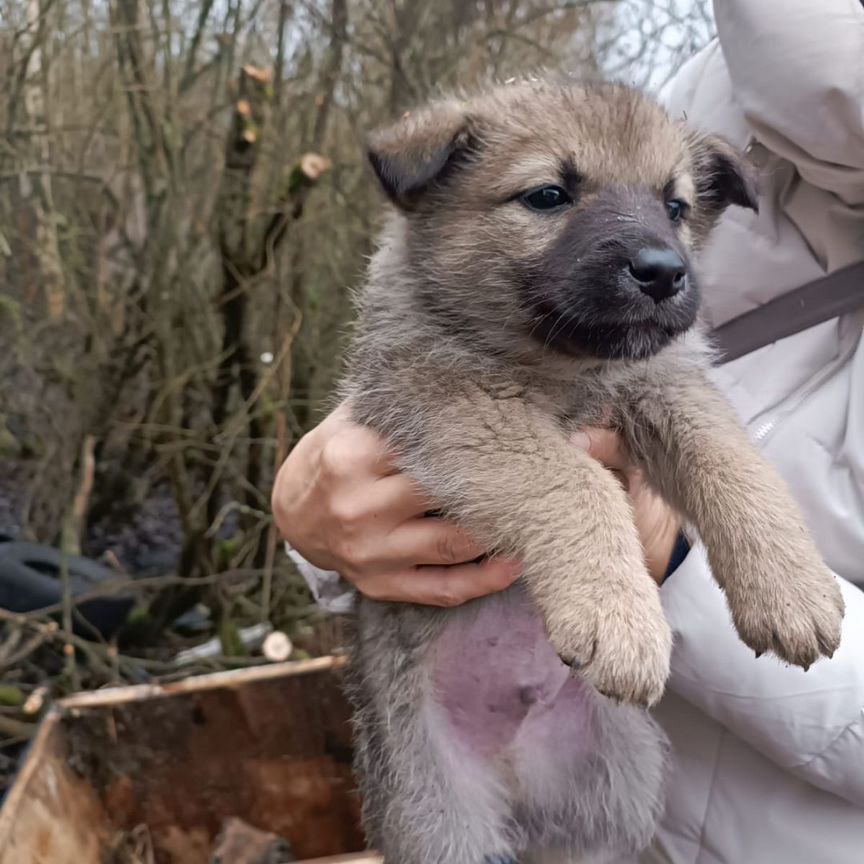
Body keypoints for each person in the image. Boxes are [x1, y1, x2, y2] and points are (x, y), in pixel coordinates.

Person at [271, 1, 864, 860]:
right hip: (445, 716)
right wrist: (311, 517)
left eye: (674, 208)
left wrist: (724, 546)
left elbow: (680, 408)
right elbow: (430, 427)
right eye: (550, 196)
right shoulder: (710, 90)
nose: (658, 251)